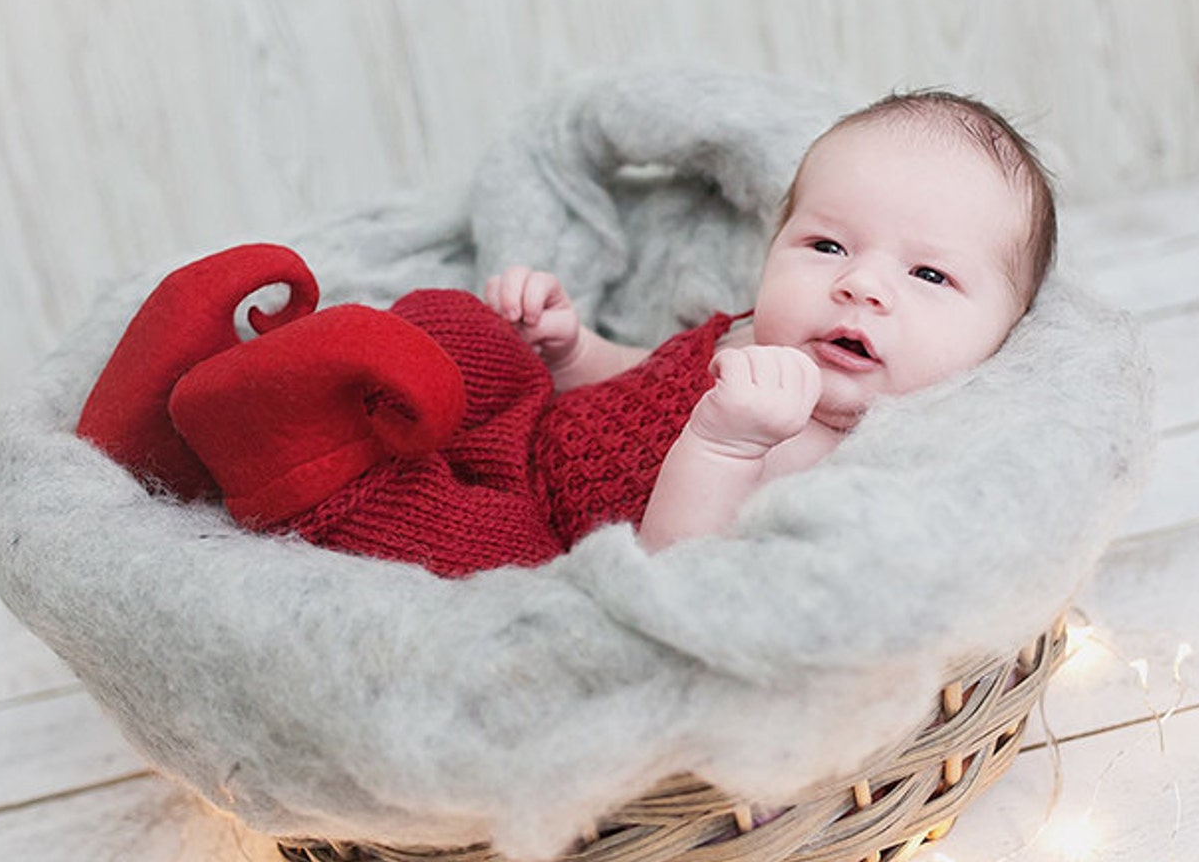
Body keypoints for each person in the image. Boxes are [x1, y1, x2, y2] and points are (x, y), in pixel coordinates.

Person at [78, 90, 1056, 576]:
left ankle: (247, 432)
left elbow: (681, 574)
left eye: (927, 274)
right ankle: (252, 370)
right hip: (520, 431)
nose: (860, 287)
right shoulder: (753, 335)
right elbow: (641, 383)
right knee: (463, 326)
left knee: (413, 527)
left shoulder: (841, 460)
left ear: (1002, 335)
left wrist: (725, 443)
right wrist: (568, 351)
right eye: (826, 242)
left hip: (541, 546)